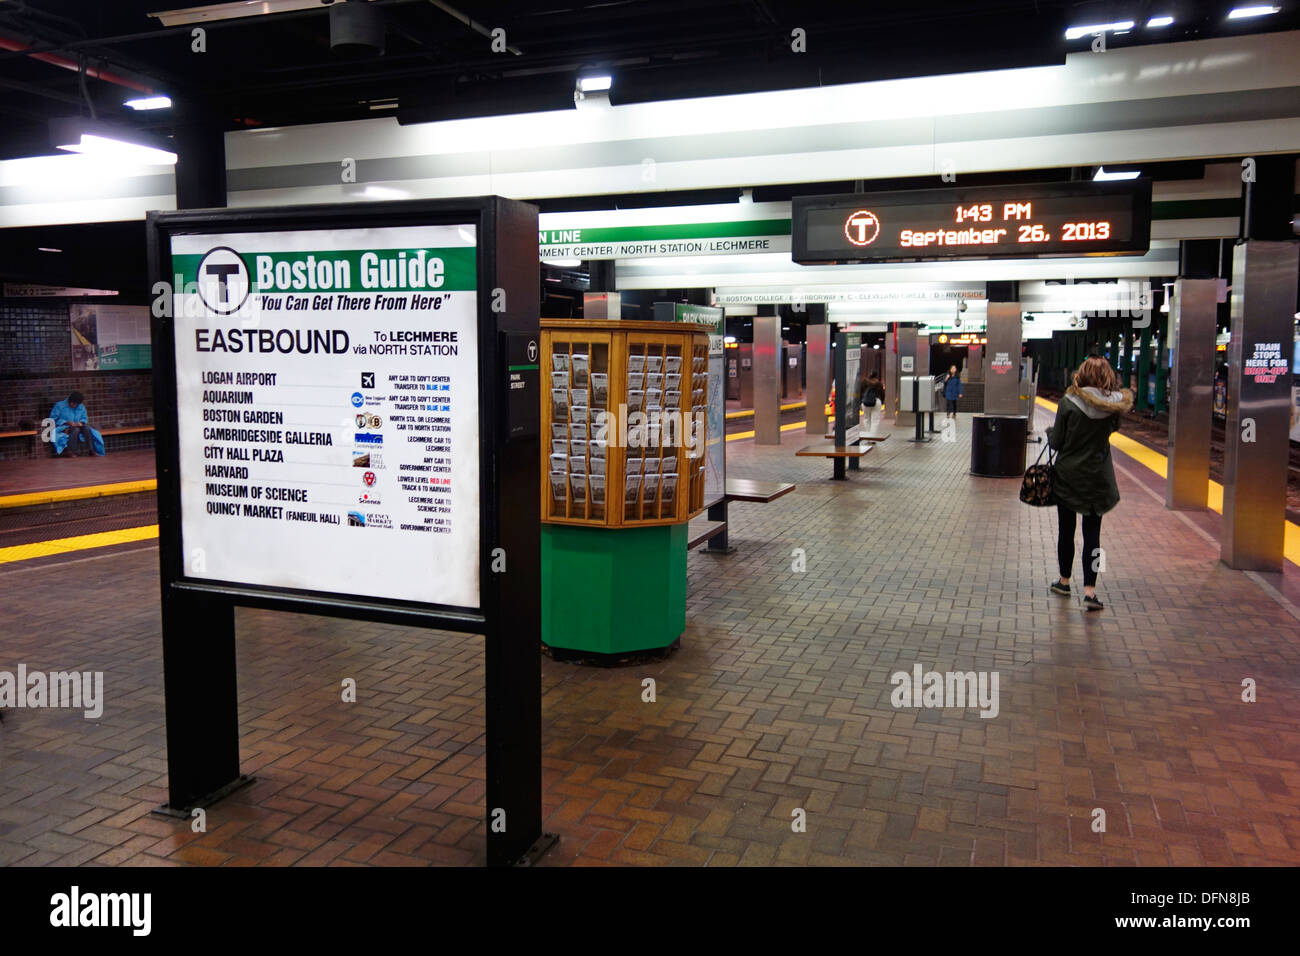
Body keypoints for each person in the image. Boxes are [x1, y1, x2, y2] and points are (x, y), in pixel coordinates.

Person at [1047, 355, 1133, 611]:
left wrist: (1052, 434)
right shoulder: (1113, 407)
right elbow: (1112, 430)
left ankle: (1064, 581)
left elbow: (1057, 443)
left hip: (1068, 476)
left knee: (1066, 530)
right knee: (1092, 534)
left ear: (1082, 373)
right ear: (1107, 376)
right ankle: (1090, 591)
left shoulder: (1068, 403)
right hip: (1097, 478)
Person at [50, 391, 105, 457]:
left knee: (87, 428)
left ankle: (92, 450)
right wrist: (66, 422)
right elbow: (53, 418)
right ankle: (72, 451)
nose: (74, 406)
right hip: (65, 426)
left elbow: (84, 417)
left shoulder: (81, 406)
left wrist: (80, 422)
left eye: (76, 404)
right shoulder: (59, 405)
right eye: (73, 404)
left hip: (78, 425)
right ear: (69, 401)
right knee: (76, 430)